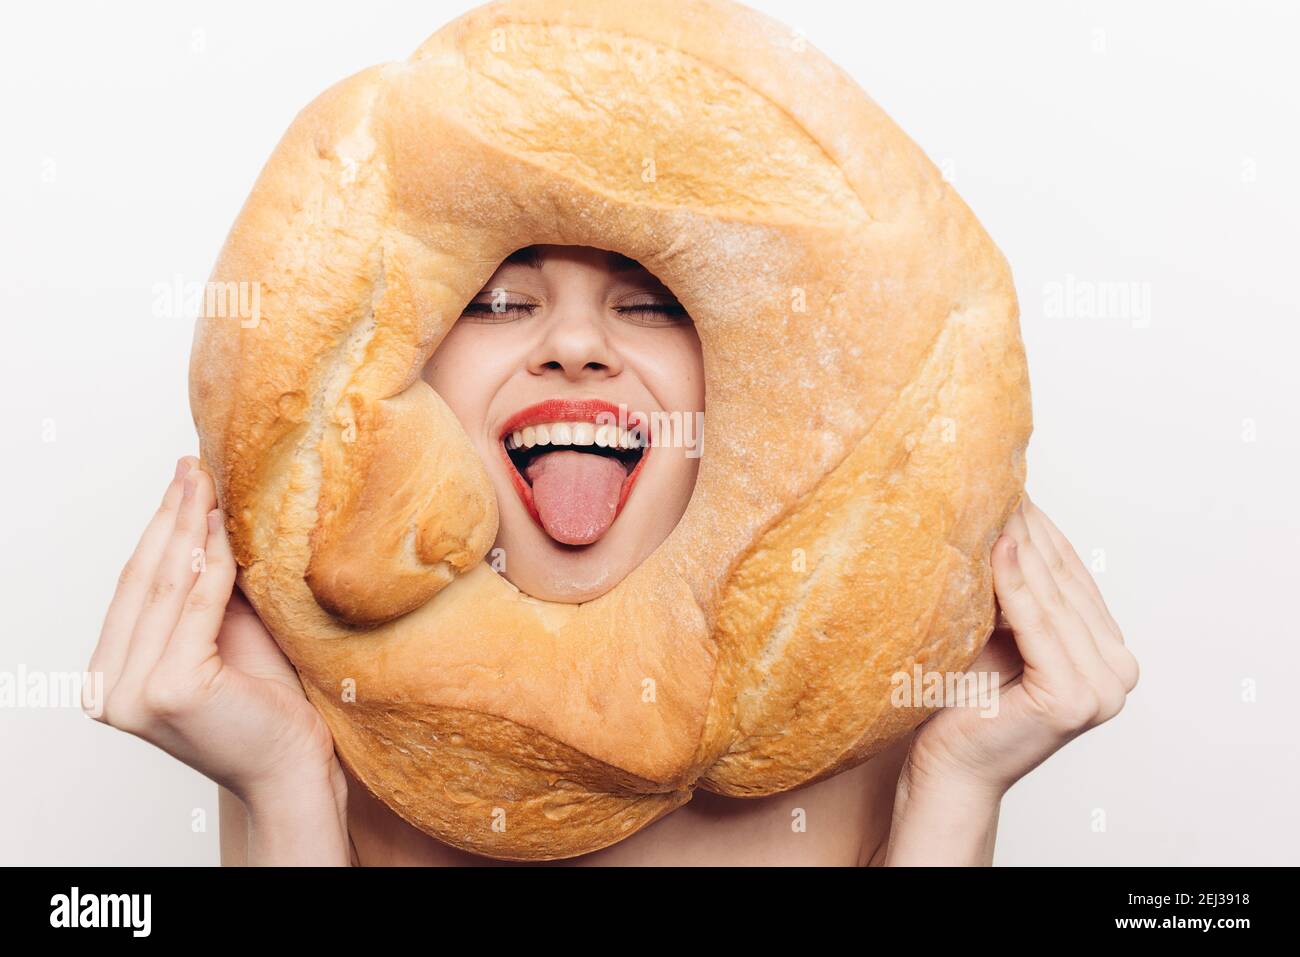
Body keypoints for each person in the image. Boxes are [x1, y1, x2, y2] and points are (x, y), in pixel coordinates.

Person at [85, 244, 1138, 865]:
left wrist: (956, 795)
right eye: (501, 302)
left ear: (743, 390)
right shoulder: (319, 724)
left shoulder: (880, 727)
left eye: (651, 303)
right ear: (409, 387)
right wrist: (282, 789)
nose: (576, 345)